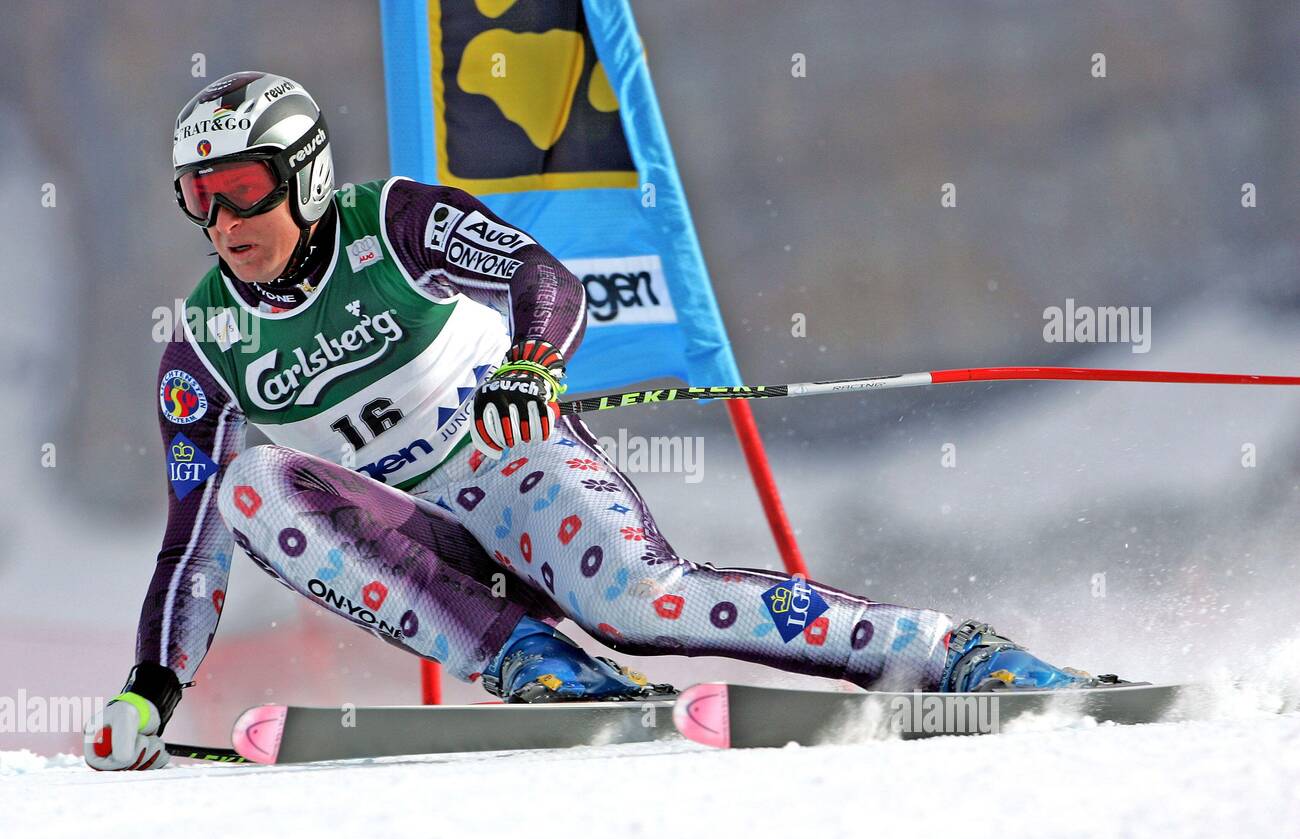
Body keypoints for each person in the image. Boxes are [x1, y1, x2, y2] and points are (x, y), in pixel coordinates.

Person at [84, 72, 1088, 771]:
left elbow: (541, 276)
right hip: (427, 546)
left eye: (242, 189)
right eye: (196, 197)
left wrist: (530, 363)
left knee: (648, 608)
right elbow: (190, 549)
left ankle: (951, 652)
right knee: (248, 487)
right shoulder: (205, 342)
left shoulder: (387, 221)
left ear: (302, 174)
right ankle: (533, 661)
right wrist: (148, 694)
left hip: (516, 474)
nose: (220, 221)